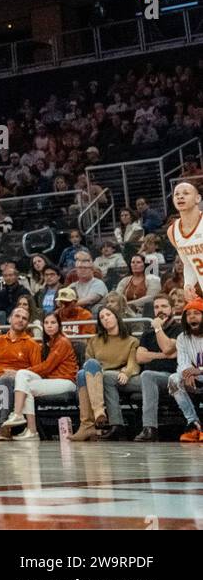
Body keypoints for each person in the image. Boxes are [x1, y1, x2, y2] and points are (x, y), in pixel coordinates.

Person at [0, 312, 77, 440]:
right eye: (46, 323)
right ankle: (31, 431)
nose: (49, 326)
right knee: (25, 385)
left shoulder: (62, 341)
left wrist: (20, 371)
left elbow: (47, 367)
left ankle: (18, 414)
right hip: (53, 380)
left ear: (59, 325)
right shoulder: (49, 343)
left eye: (53, 323)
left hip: (66, 381)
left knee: (22, 375)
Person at [71, 305, 139, 441]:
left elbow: (133, 363)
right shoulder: (94, 341)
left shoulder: (131, 341)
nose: (105, 319)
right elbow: (88, 363)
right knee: (82, 372)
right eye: (102, 317)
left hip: (119, 375)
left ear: (116, 316)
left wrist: (126, 372)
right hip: (97, 375)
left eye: (108, 315)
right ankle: (94, 417)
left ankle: (89, 423)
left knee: (88, 373)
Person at [131, 295, 181, 441]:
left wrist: (158, 328)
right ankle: (115, 426)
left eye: (164, 306)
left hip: (171, 377)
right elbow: (140, 357)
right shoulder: (147, 333)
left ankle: (149, 428)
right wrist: (163, 355)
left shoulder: (179, 329)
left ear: (172, 309)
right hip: (147, 378)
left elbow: (167, 347)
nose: (160, 310)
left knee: (147, 375)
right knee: (109, 379)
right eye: (157, 307)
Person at [0, 304, 40, 421]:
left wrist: (18, 373)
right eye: (17, 316)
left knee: (6, 379)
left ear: (27, 323)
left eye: (24, 318)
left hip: (16, 382)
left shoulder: (32, 344)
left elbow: (36, 372)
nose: (20, 320)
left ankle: (5, 425)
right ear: (10, 319)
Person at [168, 299, 203, 441]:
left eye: (196, 313)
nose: (192, 317)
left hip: (200, 374)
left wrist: (199, 370)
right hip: (193, 380)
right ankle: (193, 424)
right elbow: (182, 362)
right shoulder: (182, 338)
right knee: (174, 379)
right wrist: (187, 372)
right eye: (188, 314)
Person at [166, 181, 203, 300]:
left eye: (186, 193)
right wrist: (188, 284)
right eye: (176, 194)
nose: (180, 196)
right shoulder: (172, 231)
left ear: (197, 198)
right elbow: (188, 263)